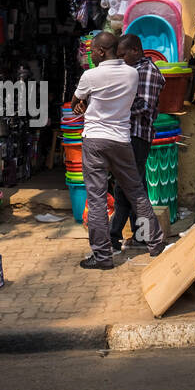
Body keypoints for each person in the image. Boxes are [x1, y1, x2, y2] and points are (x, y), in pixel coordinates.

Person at [72, 32, 165, 269]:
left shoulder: (89, 76)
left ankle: (103, 257)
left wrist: (87, 103)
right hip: (122, 139)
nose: (90, 54)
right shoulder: (132, 73)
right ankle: (156, 245)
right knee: (137, 193)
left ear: (102, 51)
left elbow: (76, 104)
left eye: (92, 50)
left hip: (94, 141)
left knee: (96, 199)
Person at [110, 34, 165, 252]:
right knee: (133, 186)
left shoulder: (147, 71)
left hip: (138, 136)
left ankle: (114, 236)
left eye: (123, 54)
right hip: (128, 134)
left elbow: (145, 106)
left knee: (127, 187)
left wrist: (117, 110)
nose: (121, 59)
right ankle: (141, 235)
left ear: (135, 50)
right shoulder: (133, 71)